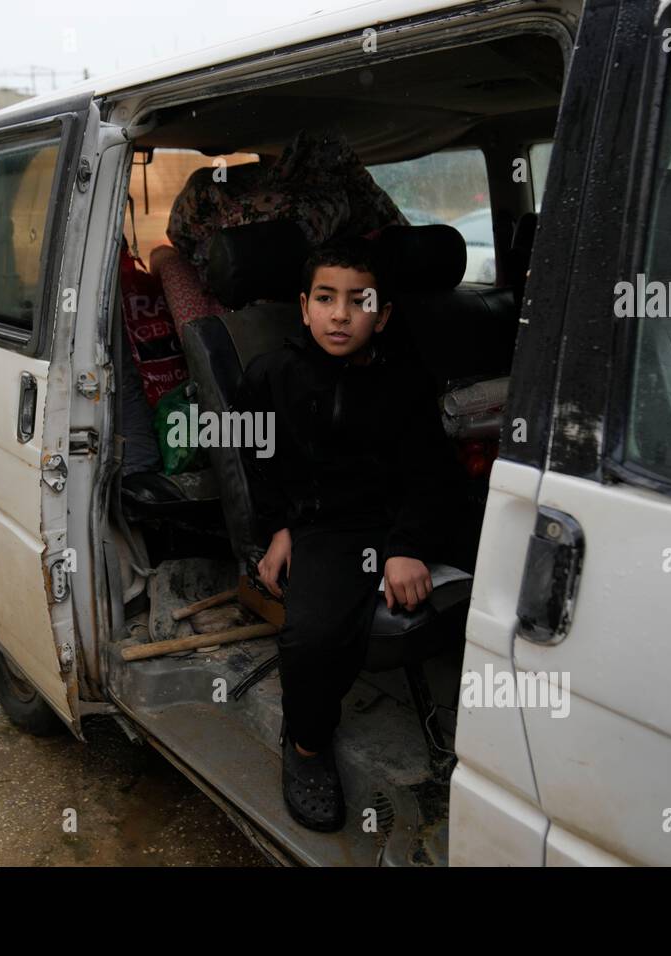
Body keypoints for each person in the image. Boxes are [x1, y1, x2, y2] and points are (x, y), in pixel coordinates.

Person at [234, 236, 462, 831]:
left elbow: (431, 473)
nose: (341, 314)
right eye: (326, 298)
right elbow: (257, 462)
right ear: (304, 306)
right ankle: (307, 744)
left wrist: (407, 546)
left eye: (358, 301)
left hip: (393, 516)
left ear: (382, 314)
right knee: (311, 637)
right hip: (326, 525)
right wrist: (279, 528)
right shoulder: (270, 377)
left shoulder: (406, 382)